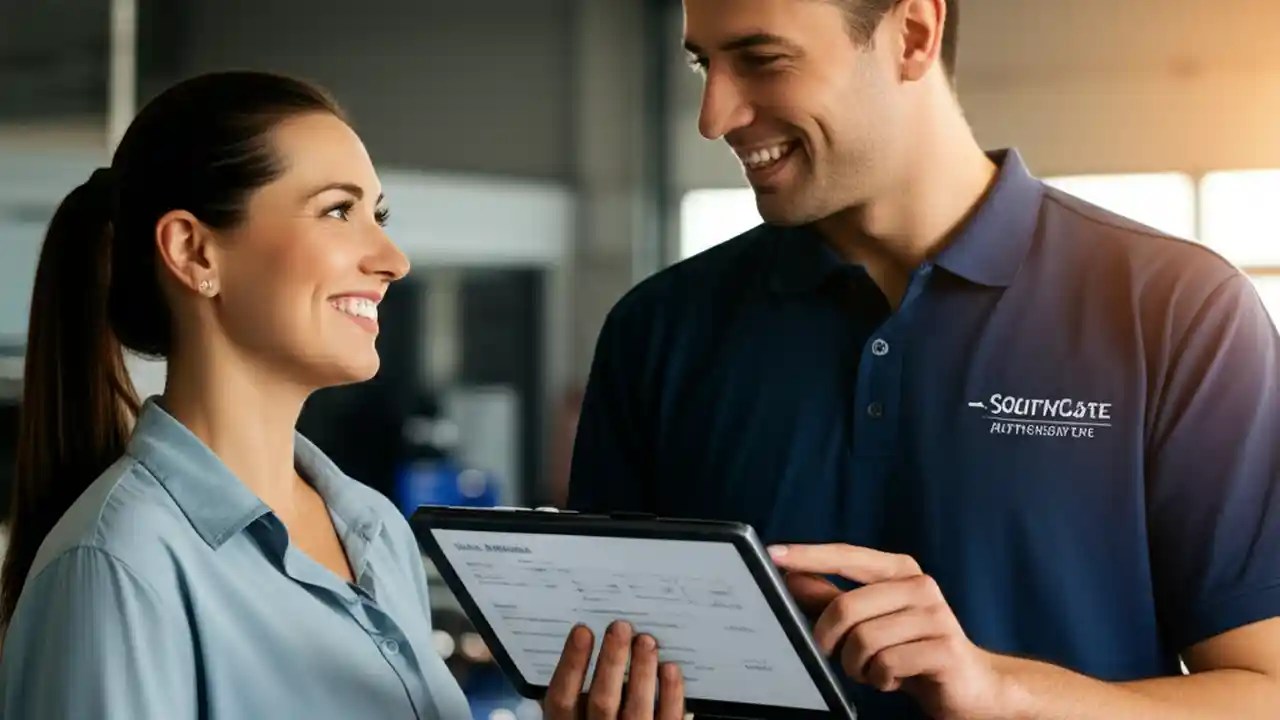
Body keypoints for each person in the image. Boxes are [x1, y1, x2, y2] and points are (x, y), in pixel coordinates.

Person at [567, 1, 1280, 718]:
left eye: (762, 59)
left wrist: (999, 692)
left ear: (912, 35)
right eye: (703, 64)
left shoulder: (1178, 311)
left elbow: (1265, 693)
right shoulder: (656, 330)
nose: (713, 116)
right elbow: (606, 652)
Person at [0, 71, 684, 720]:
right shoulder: (117, 568)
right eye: (337, 210)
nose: (393, 258)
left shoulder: (376, 531)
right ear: (195, 253)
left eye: (376, 213)